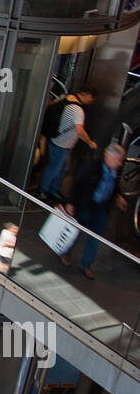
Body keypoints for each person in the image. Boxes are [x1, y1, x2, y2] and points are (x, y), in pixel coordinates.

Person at [60, 143, 127, 280]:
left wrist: (118, 196)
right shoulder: (92, 167)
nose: (120, 163)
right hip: (86, 206)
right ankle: (65, 252)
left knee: (95, 237)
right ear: (108, 156)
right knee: (76, 231)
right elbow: (77, 183)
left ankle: (86, 264)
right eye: (117, 160)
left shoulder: (115, 171)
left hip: (101, 208)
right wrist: (71, 203)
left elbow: (114, 186)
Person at [40, 87, 97, 202]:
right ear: (88, 95)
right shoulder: (78, 110)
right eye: (92, 99)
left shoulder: (68, 98)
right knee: (55, 168)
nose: (91, 102)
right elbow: (80, 131)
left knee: (60, 168)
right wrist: (90, 142)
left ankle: (53, 190)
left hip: (58, 141)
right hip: (61, 145)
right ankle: (43, 191)